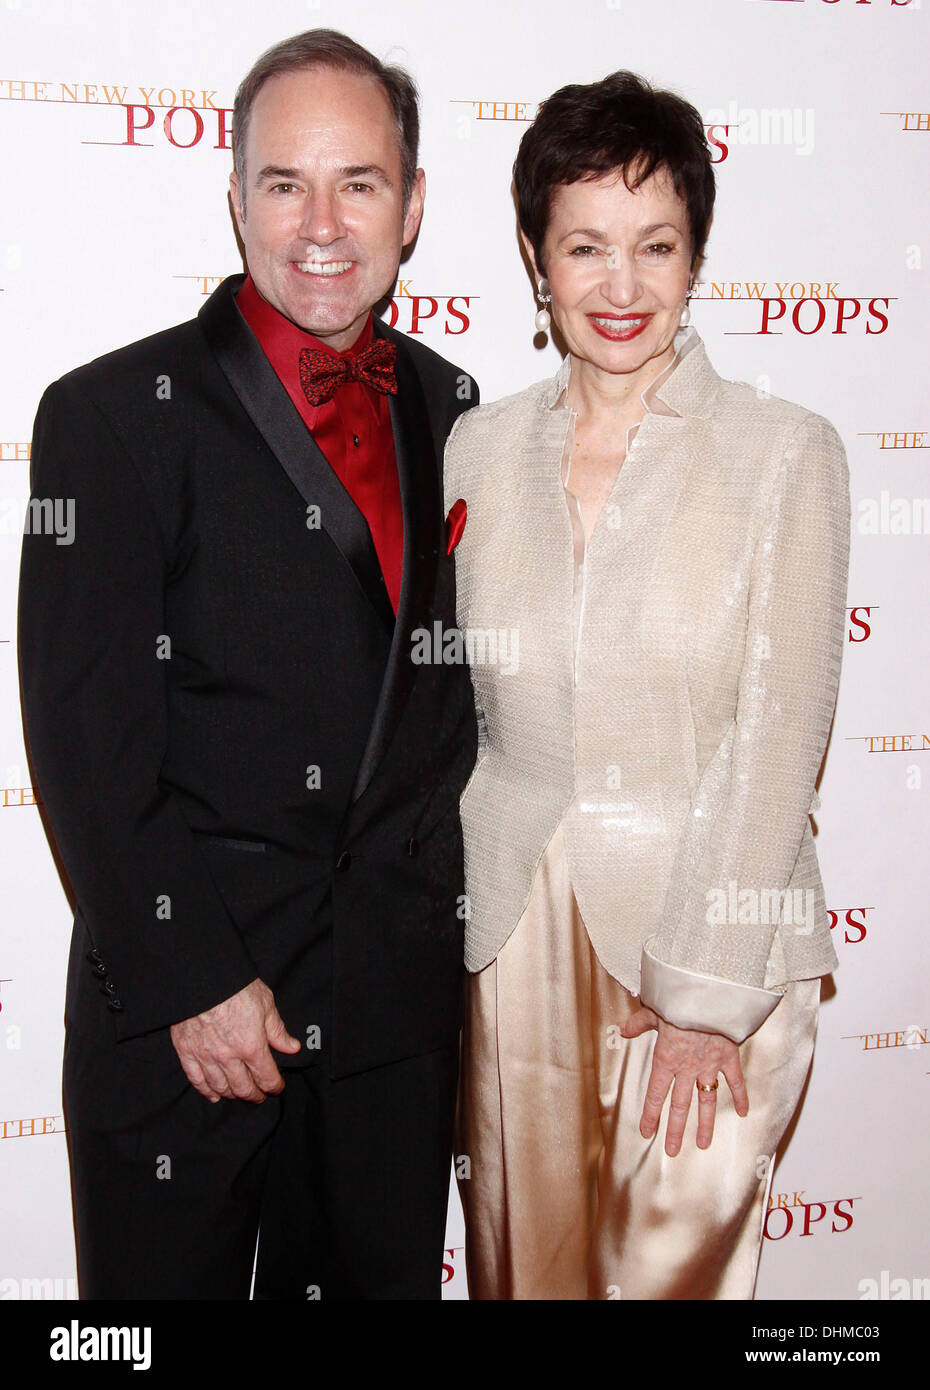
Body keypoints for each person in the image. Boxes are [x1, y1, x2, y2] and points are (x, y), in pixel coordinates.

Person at [18, 28, 478, 1300]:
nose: (321, 223)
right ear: (235, 202)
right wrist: (198, 980)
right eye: (286, 183)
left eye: (361, 183)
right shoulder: (108, 417)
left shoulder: (461, 414)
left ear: (414, 204)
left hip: (389, 1036)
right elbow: (81, 732)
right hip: (183, 1030)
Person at [445, 70, 849, 1300]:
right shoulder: (473, 444)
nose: (622, 287)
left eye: (656, 245)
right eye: (586, 248)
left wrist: (702, 1003)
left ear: (696, 254)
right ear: (534, 257)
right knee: (528, 1271)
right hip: (516, 931)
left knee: (666, 1283)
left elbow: (782, 733)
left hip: (707, 918)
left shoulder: (787, 454)